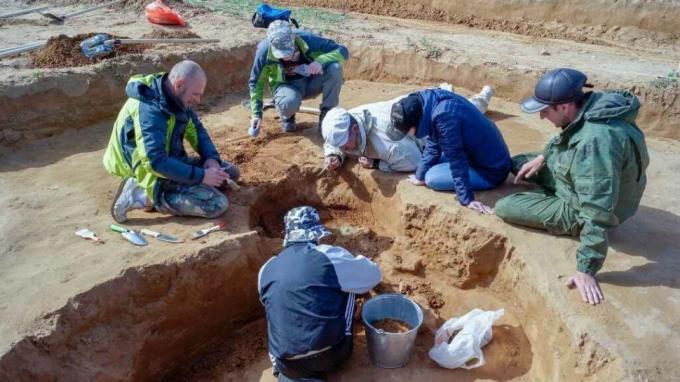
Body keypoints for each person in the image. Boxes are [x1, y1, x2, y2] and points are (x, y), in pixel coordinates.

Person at [495, 68, 649, 306]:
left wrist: (586, 269)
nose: (541, 117)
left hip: (587, 206)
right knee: (519, 163)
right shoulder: (593, 105)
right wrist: (545, 156)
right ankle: (552, 189)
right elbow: (569, 134)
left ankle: (558, 203)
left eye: (545, 111)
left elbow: (597, 211)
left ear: (564, 107)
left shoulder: (595, 144)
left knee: (505, 207)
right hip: (580, 176)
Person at [103, 60, 240, 223]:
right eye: (196, 94)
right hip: (142, 168)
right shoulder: (149, 108)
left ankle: (181, 184)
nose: (198, 100)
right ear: (179, 85)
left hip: (167, 157)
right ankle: (140, 194)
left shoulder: (175, 97)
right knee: (215, 204)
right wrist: (202, 176)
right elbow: (155, 161)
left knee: (230, 173)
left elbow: (196, 129)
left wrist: (211, 160)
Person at [258, 206, 381, 381]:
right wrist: (358, 260)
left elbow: (270, 306)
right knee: (349, 289)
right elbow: (373, 276)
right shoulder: (328, 255)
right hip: (331, 354)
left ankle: (292, 376)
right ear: (316, 233)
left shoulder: (266, 268)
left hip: (285, 362)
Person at [385, 88, 511, 214]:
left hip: (491, 170)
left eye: (406, 131)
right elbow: (434, 141)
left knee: (431, 177)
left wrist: (466, 199)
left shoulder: (444, 117)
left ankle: (475, 182)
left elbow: (457, 159)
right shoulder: (431, 102)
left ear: (414, 125)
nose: (407, 134)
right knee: (427, 165)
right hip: (480, 152)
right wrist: (419, 176)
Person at [321, 85, 494, 174]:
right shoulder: (344, 118)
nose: (344, 148)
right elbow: (333, 142)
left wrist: (377, 164)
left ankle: (483, 97)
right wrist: (334, 154)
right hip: (404, 106)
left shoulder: (388, 144)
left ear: (354, 129)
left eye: (344, 144)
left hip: (426, 120)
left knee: (467, 111)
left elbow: (415, 162)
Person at [248, 20, 349, 135]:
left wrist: (320, 61)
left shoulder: (309, 39)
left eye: (288, 51)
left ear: (293, 38)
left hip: (311, 81)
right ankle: (288, 116)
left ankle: (327, 115)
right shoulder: (264, 52)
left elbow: (343, 51)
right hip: (286, 87)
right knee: (288, 103)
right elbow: (256, 83)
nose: (285, 57)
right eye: (281, 53)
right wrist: (256, 114)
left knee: (335, 68)